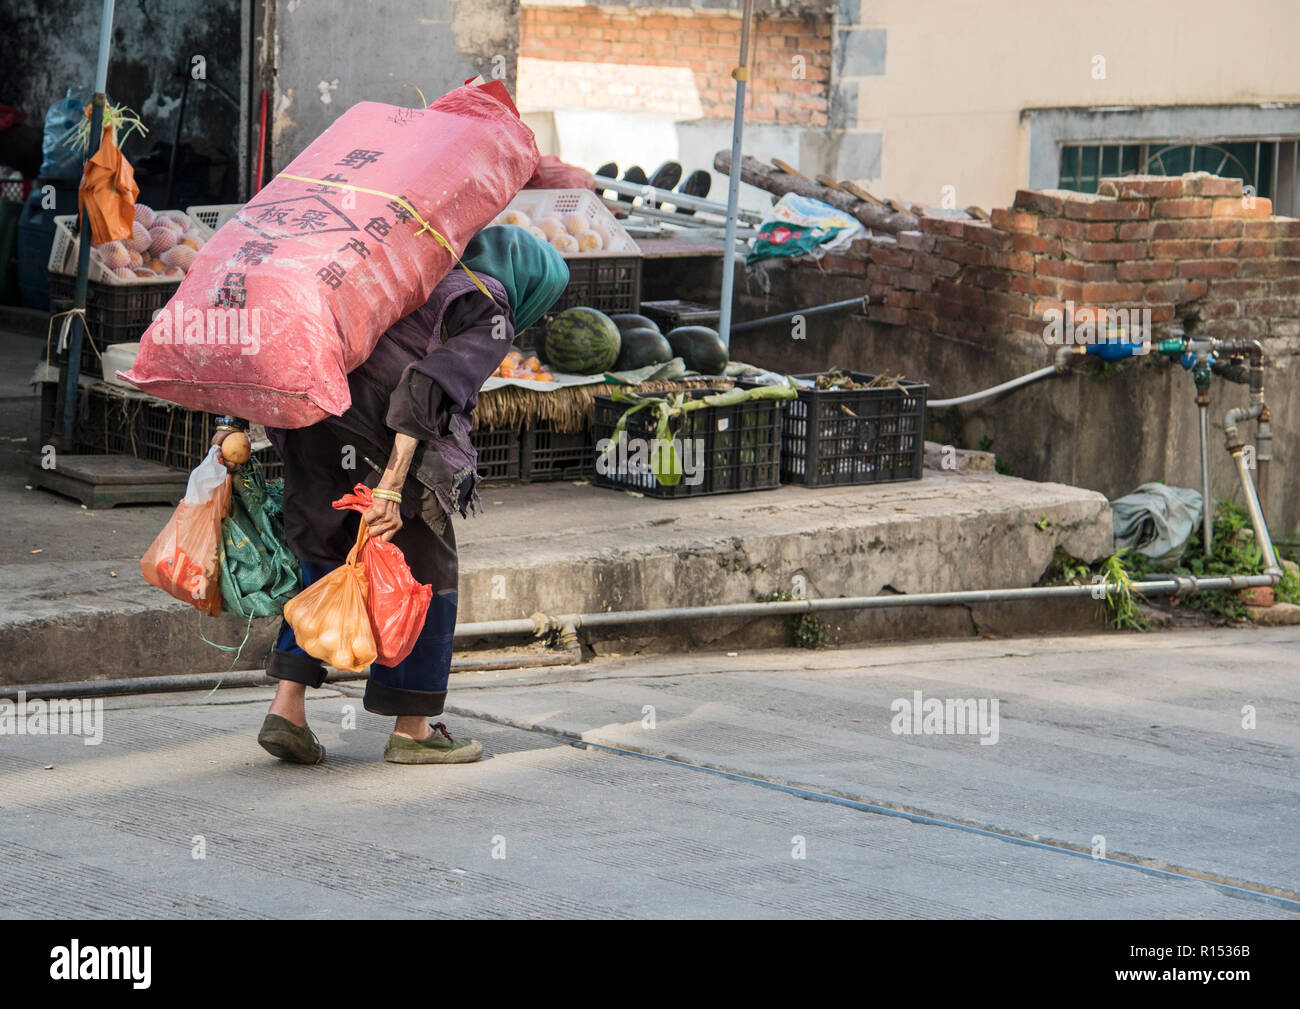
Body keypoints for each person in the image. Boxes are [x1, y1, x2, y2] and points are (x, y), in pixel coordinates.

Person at [211, 226, 568, 765]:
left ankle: (288, 709)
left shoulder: (407, 273)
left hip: (313, 421)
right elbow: (425, 387)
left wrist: (232, 420)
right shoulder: (489, 303)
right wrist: (391, 484)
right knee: (424, 575)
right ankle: (413, 729)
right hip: (386, 440)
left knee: (325, 559)